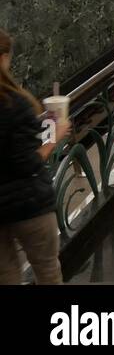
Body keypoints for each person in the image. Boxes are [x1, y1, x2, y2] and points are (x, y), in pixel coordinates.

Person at [0, 30, 69, 285]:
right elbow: (27, 162)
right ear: (3, 57)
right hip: (28, 205)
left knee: (5, 277)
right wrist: (54, 137)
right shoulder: (14, 102)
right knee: (48, 271)